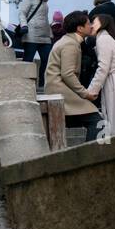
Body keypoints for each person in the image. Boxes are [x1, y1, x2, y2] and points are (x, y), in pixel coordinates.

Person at [44, 10, 100, 142]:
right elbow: (67, 74)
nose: (91, 26)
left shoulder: (68, 41)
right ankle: (92, 158)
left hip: (58, 91)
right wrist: (85, 94)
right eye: (88, 24)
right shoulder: (71, 44)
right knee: (98, 122)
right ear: (80, 28)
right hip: (62, 92)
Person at [17, 0, 52, 87]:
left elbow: (45, 19)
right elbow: (22, 13)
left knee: (47, 61)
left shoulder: (45, 1)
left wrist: (50, 34)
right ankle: (24, 84)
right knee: (28, 60)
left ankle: (42, 84)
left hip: (45, 36)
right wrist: (24, 25)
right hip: (31, 34)